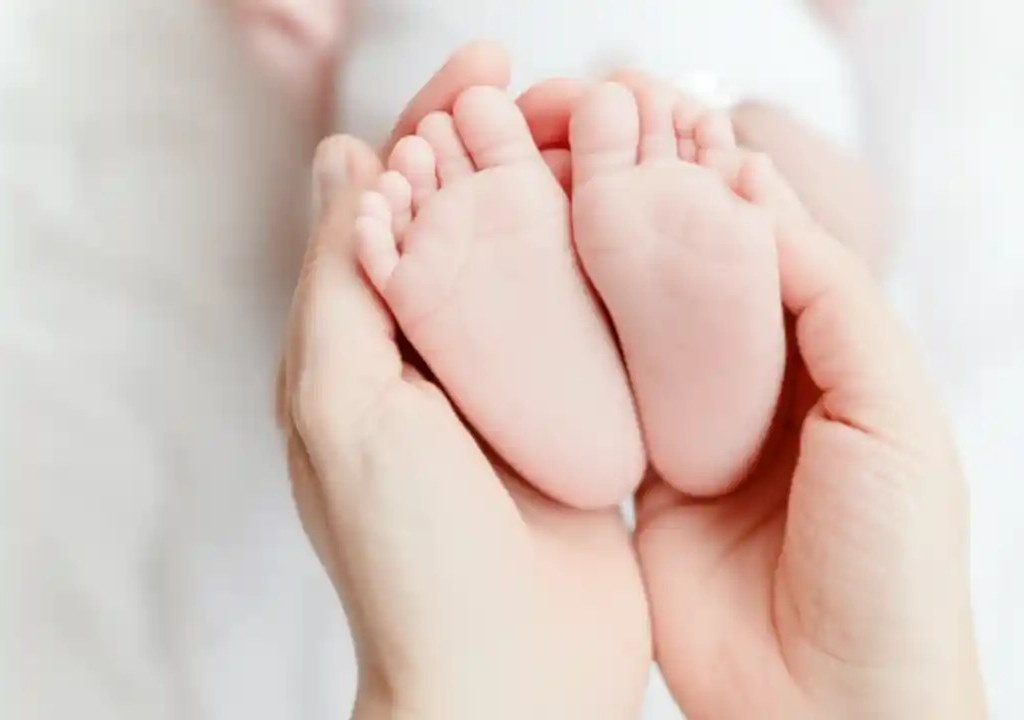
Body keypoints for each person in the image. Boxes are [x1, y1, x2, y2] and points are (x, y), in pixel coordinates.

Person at [276, 44, 986, 719]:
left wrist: (310, 52)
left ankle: (553, 367)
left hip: (471, 136)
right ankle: (736, 271)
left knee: (389, 202)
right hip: (720, 95)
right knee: (823, 207)